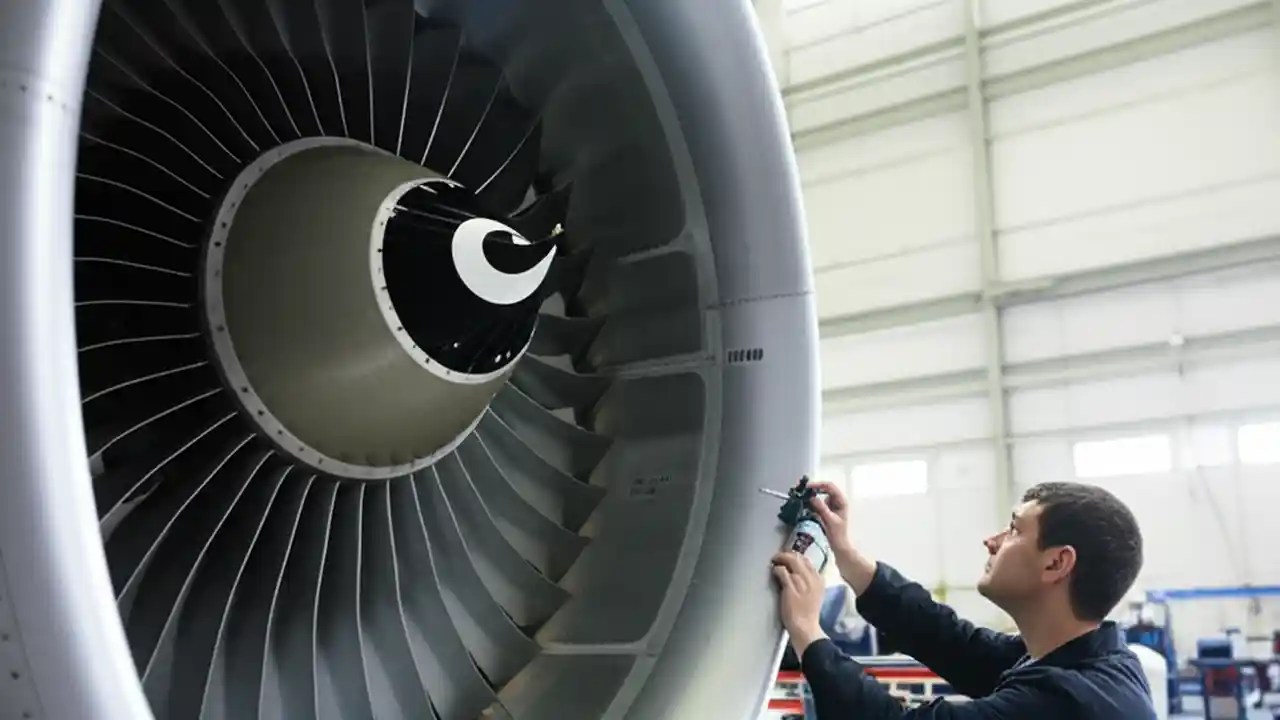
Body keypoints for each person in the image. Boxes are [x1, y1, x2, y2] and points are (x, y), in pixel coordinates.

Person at [772, 481, 1156, 718]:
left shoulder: (1068, 703)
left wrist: (808, 631)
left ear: (1056, 562)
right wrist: (848, 556)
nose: (992, 541)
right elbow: (952, 641)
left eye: (1014, 529)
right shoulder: (1086, 661)